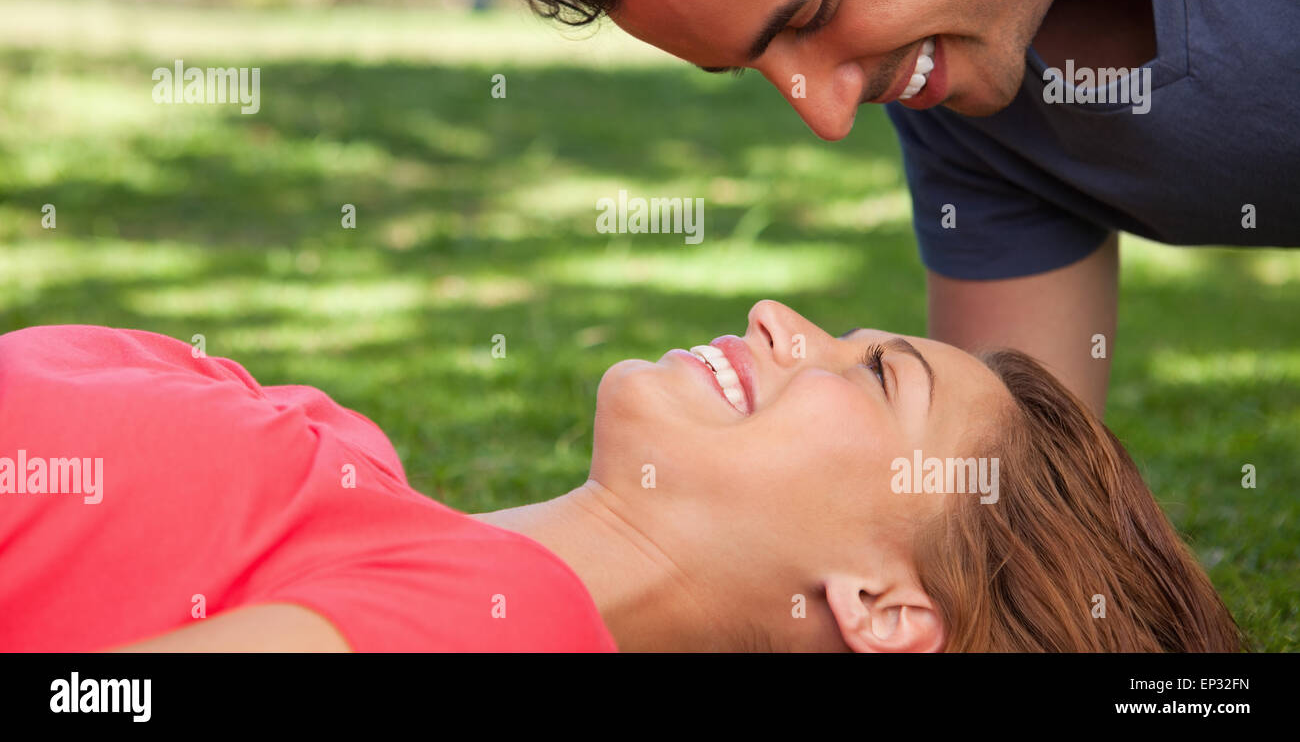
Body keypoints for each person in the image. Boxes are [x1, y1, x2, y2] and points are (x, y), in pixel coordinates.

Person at [499, 0, 1300, 418]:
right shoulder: (964, 97)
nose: (830, 119)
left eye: (814, 12)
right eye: (757, 68)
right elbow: (1016, 495)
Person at [0, 302, 1241, 651]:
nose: (777, 313)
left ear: (884, 604)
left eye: (873, 374)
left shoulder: (511, 621)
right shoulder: (334, 442)